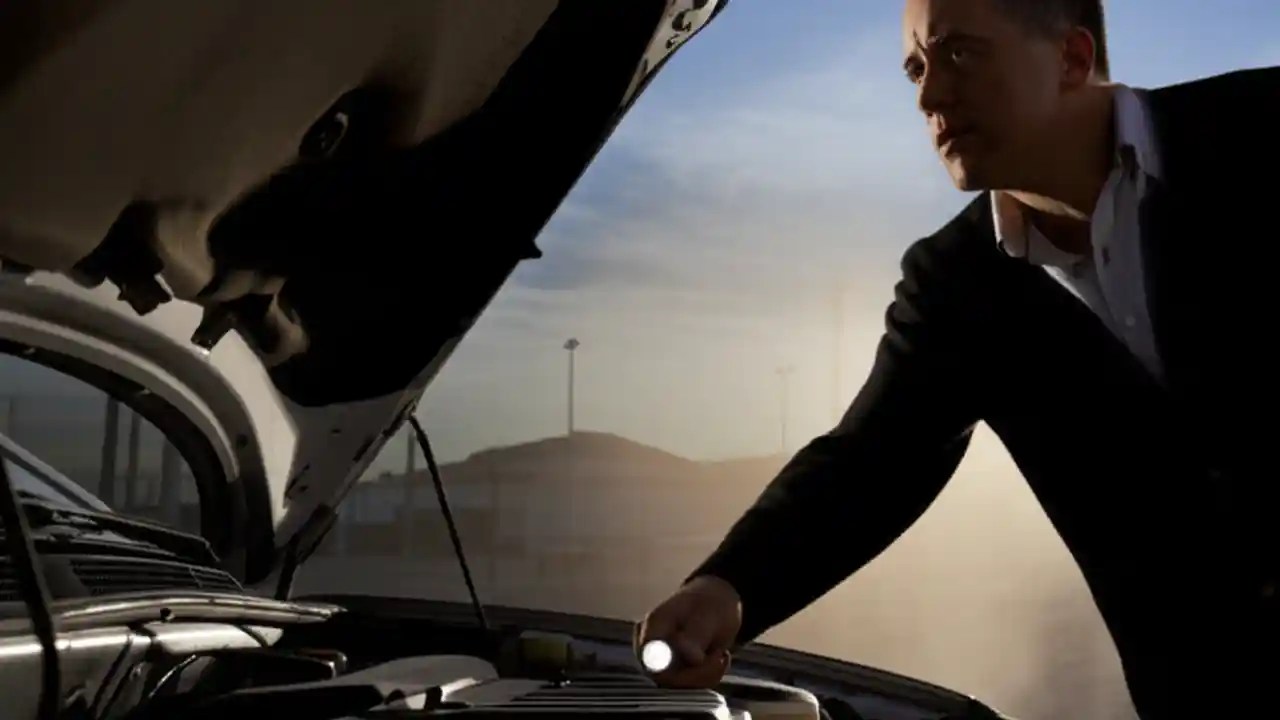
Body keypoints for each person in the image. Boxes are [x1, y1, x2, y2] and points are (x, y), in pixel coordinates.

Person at [635, 0, 1280, 717]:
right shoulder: (955, 283)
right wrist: (725, 587)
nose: (928, 96)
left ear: (1071, 57)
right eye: (916, 67)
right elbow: (871, 462)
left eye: (959, 54)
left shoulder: (1263, 126)